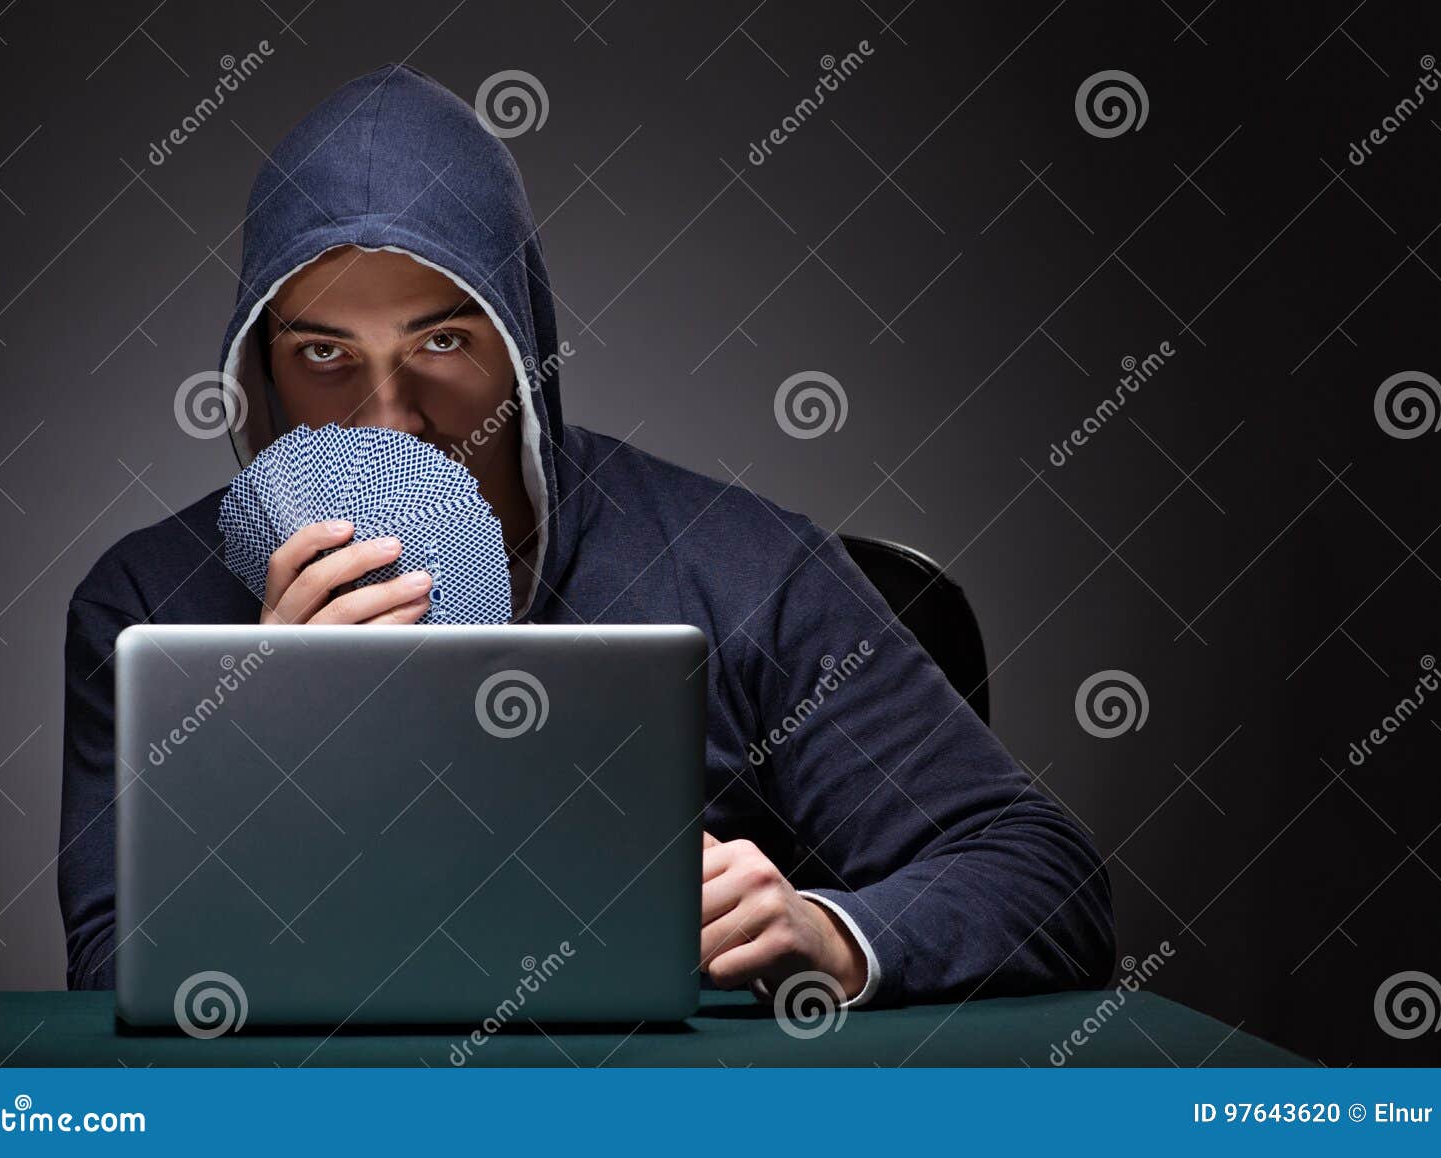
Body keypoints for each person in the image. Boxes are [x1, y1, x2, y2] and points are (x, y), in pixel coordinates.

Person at [59, 64, 1114, 1006]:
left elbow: (1042, 874)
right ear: (259, 372)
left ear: (524, 348)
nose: (389, 420)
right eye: (324, 352)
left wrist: (833, 935)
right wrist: (266, 748)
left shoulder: (739, 569)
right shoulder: (152, 604)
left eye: (443, 341)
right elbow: (115, 972)